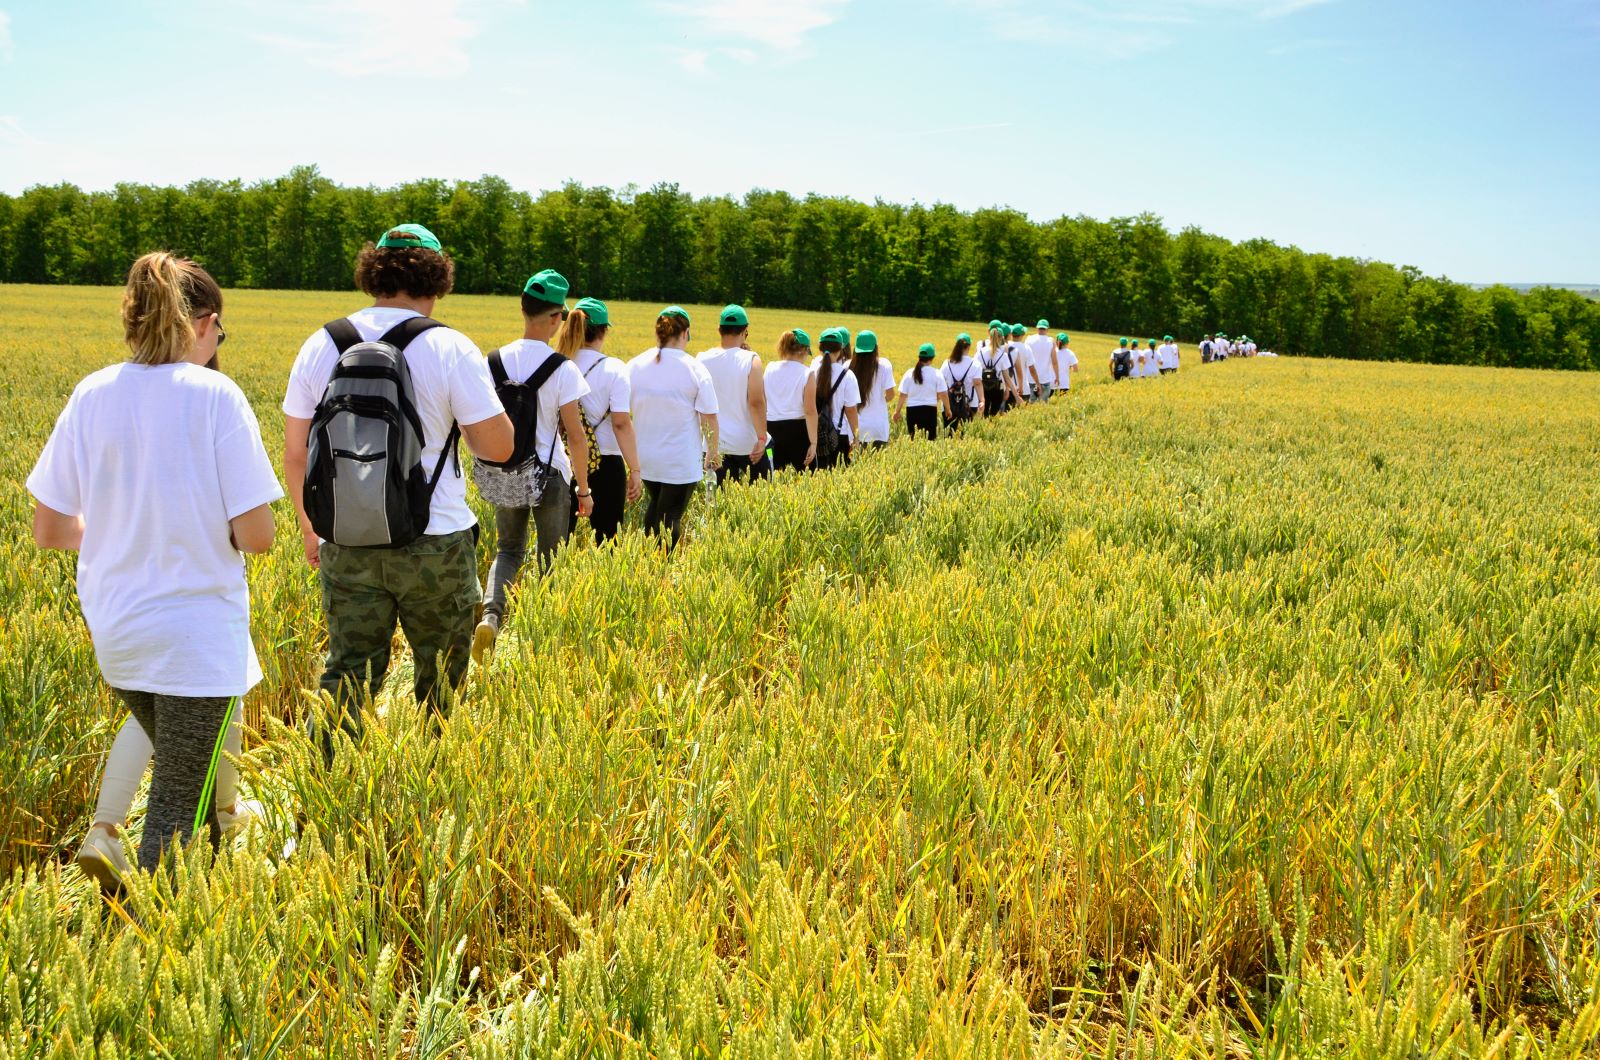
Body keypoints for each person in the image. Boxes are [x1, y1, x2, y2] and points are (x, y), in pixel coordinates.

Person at [29, 252, 281, 882]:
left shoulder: (92, 392)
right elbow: (257, 536)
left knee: (181, 774)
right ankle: (155, 946)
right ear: (204, 323)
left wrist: (125, 532)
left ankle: (168, 880)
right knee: (177, 809)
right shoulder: (215, 396)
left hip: (119, 638)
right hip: (194, 642)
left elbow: (51, 528)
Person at [283, 223, 514, 753]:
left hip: (345, 539)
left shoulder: (322, 343)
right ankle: (431, 794)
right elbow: (497, 449)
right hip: (435, 541)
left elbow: (297, 452)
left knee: (346, 675)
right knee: (443, 680)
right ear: (437, 280)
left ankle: (326, 797)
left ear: (374, 274)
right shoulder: (451, 347)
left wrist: (308, 527)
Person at [473, 269, 594, 663]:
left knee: (508, 550)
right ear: (557, 318)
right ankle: (538, 636)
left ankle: (492, 616)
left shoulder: (491, 361)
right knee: (550, 555)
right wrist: (584, 489)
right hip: (550, 475)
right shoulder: (562, 368)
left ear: (523, 309)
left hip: (504, 473)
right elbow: (575, 435)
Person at [627, 306, 719, 549]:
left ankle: (648, 563)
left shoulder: (635, 365)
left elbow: (620, 412)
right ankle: (662, 569)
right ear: (686, 333)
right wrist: (712, 452)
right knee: (670, 518)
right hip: (679, 461)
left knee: (657, 507)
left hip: (645, 459)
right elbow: (709, 418)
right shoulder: (695, 368)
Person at [558, 296, 642, 545]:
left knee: (560, 539)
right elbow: (621, 423)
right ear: (603, 331)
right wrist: (635, 469)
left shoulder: (560, 363)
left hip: (565, 460)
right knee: (608, 541)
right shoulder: (615, 368)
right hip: (606, 462)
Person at [696, 305, 769, 484]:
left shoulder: (701, 359)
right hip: (747, 445)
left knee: (714, 501)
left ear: (719, 330)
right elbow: (756, 402)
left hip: (713, 446)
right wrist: (762, 437)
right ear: (746, 331)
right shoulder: (752, 360)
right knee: (759, 498)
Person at [764, 329, 819, 471]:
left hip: (771, 428)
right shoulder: (807, 373)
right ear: (804, 350)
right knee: (806, 476)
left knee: (772, 477)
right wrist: (813, 443)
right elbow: (810, 411)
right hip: (799, 431)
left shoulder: (769, 368)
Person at [813, 328, 861, 469]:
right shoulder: (847, 375)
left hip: (815, 433)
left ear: (820, 348)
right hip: (839, 435)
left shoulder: (811, 372)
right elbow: (851, 410)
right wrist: (856, 438)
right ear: (840, 349)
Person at [894, 343, 952, 440]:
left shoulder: (909, 373)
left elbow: (902, 395)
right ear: (932, 357)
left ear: (919, 357)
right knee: (930, 441)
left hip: (912, 411)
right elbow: (943, 394)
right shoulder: (937, 373)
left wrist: (897, 411)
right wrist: (948, 409)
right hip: (929, 411)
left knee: (914, 441)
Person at [849, 329, 896, 447]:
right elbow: (890, 395)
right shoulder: (884, 365)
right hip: (878, 428)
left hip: (854, 428)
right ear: (876, 348)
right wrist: (878, 400)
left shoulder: (847, 366)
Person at [942, 333, 983, 426]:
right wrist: (982, 400)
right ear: (969, 346)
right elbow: (977, 383)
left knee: (949, 435)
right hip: (969, 405)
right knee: (966, 435)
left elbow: (941, 382)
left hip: (949, 406)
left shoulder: (947, 362)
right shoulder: (975, 363)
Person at [978, 323, 1014, 415]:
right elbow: (1007, 377)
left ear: (989, 337)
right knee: (994, 415)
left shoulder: (980, 352)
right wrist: (1014, 394)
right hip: (997, 388)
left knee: (983, 414)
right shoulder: (1003, 355)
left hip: (983, 387)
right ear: (1002, 338)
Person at [1026, 319, 1059, 400]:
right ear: (1047, 329)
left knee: (1029, 406)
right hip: (1045, 379)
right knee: (1042, 405)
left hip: (1030, 378)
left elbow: (1024, 358)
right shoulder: (1051, 341)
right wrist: (1057, 377)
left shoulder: (1029, 339)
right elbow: (1054, 362)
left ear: (1037, 328)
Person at [1008, 323, 1039, 403]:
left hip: (1008, 388)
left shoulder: (1006, 346)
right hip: (1023, 389)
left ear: (1011, 334)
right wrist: (1038, 384)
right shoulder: (1026, 348)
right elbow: (1032, 369)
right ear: (1023, 334)